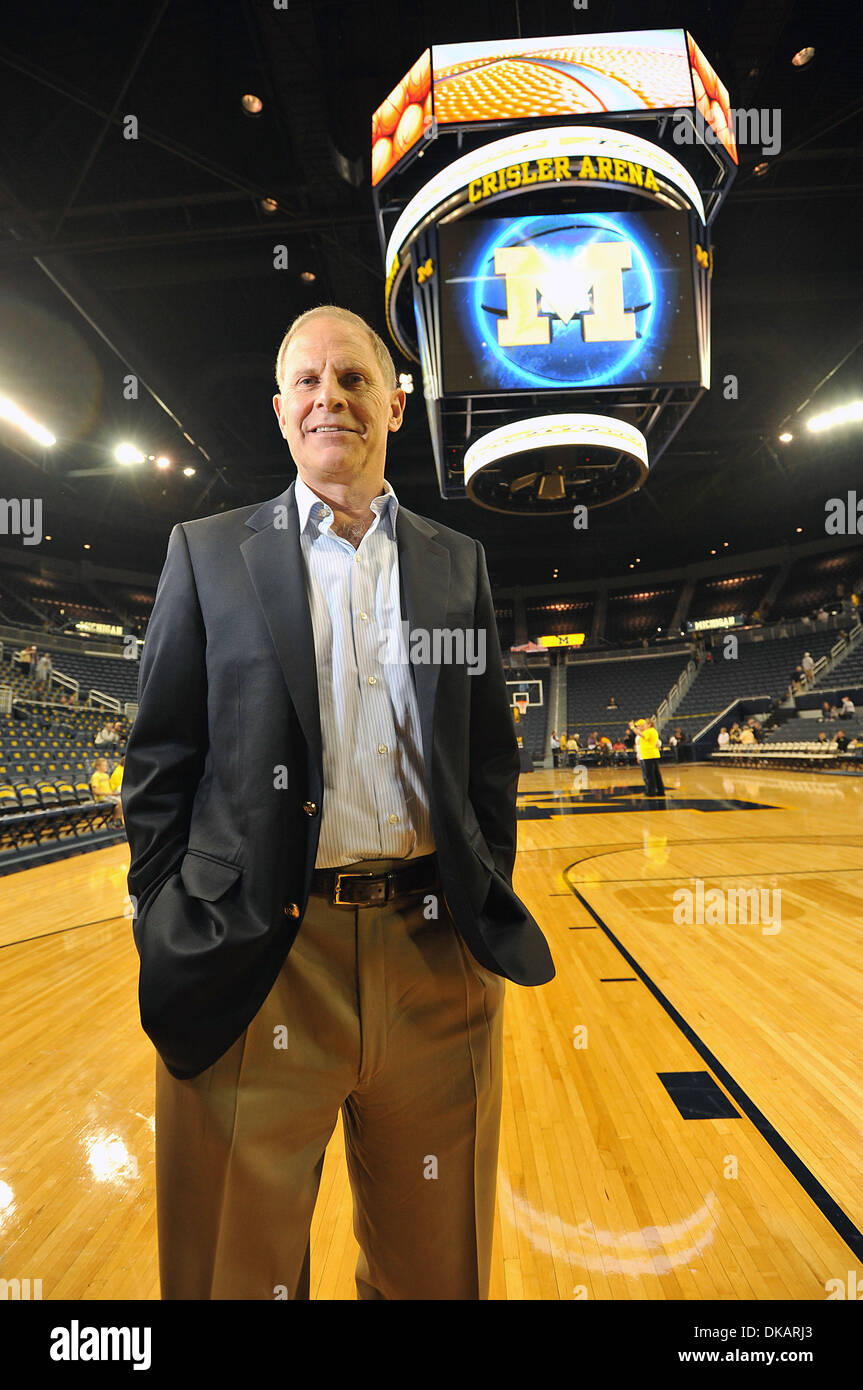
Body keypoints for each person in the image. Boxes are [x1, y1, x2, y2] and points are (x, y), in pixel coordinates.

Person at [122, 304, 555, 1303]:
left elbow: (488, 760)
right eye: (308, 383)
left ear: (396, 404)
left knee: (438, 1273)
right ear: (280, 412)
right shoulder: (206, 552)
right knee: (232, 1274)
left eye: (354, 380)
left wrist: (475, 891)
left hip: (430, 953)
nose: (331, 399)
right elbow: (158, 766)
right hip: (252, 959)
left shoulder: (457, 564)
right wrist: (163, 921)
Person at [90, 758, 123, 824]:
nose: (106, 767)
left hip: (109, 796)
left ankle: (115, 819)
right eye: (104, 765)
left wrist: (114, 793)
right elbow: (95, 791)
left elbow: (109, 788)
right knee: (120, 802)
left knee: (124, 800)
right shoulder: (95, 776)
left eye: (106, 765)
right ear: (98, 766)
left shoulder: (106, 775)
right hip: (102, 797)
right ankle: (116, 820)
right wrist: (109, 794)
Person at [639, 718, 665, 797]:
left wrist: (633, 728)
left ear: (649, 725)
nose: (644, 726)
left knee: (650, 775)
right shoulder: (652, 731)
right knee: (655, 774)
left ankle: (651, 792)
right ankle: (659, 791)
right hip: (649, 755)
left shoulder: (649, 731)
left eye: (645, 724)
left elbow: (642, 735)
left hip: (649, 755)